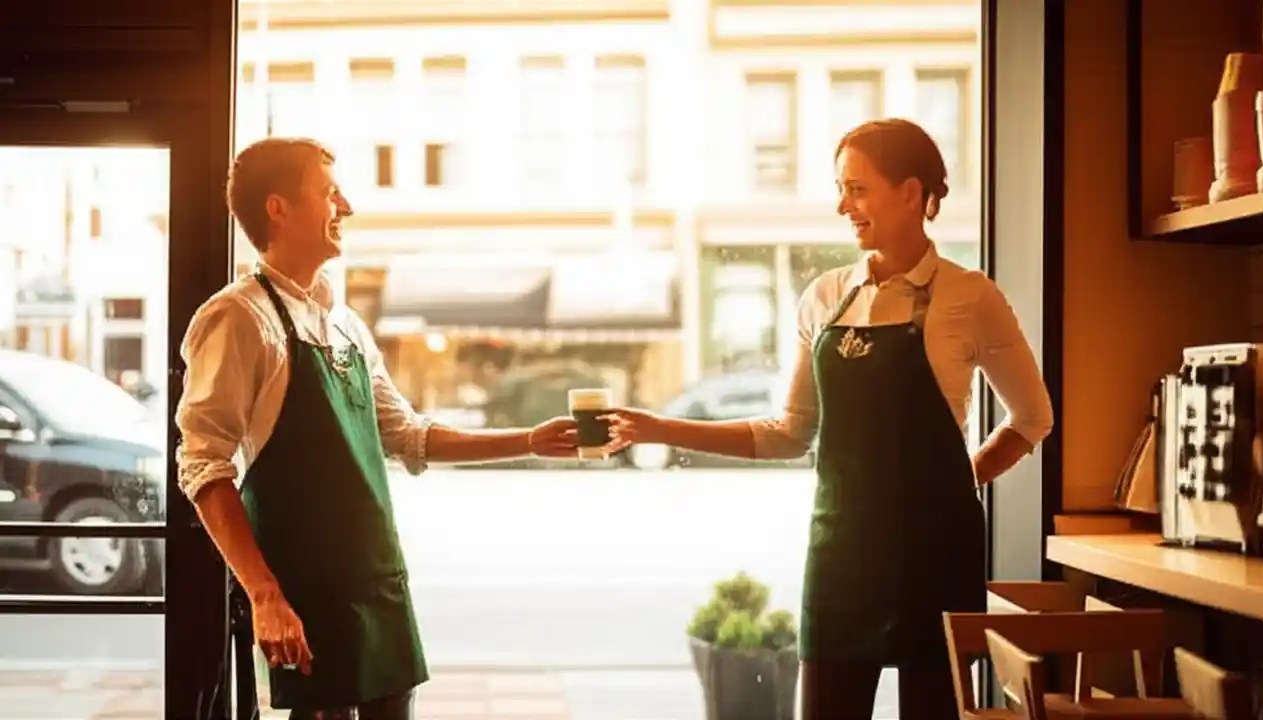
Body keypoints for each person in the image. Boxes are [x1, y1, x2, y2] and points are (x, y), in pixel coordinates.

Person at [606, 118, 1054, 720]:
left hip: (936, 552)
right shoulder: (825, 295)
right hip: (841, 550)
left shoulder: (971, 297)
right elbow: (789, 432)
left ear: (912, 194)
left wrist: (960, 480)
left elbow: (1031, 419)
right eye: (841, 189)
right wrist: (661, 427)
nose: (844, 205)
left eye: (858, 188)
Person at [175, 137, 582, 720]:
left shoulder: (344, 324)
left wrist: (529, 441)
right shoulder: (238, 318)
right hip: (304, 588)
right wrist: (264, 593)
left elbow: (410, 436)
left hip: (377, 578)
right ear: (278, 208)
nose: (347, 207)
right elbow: (203, 466)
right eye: (329, 192)